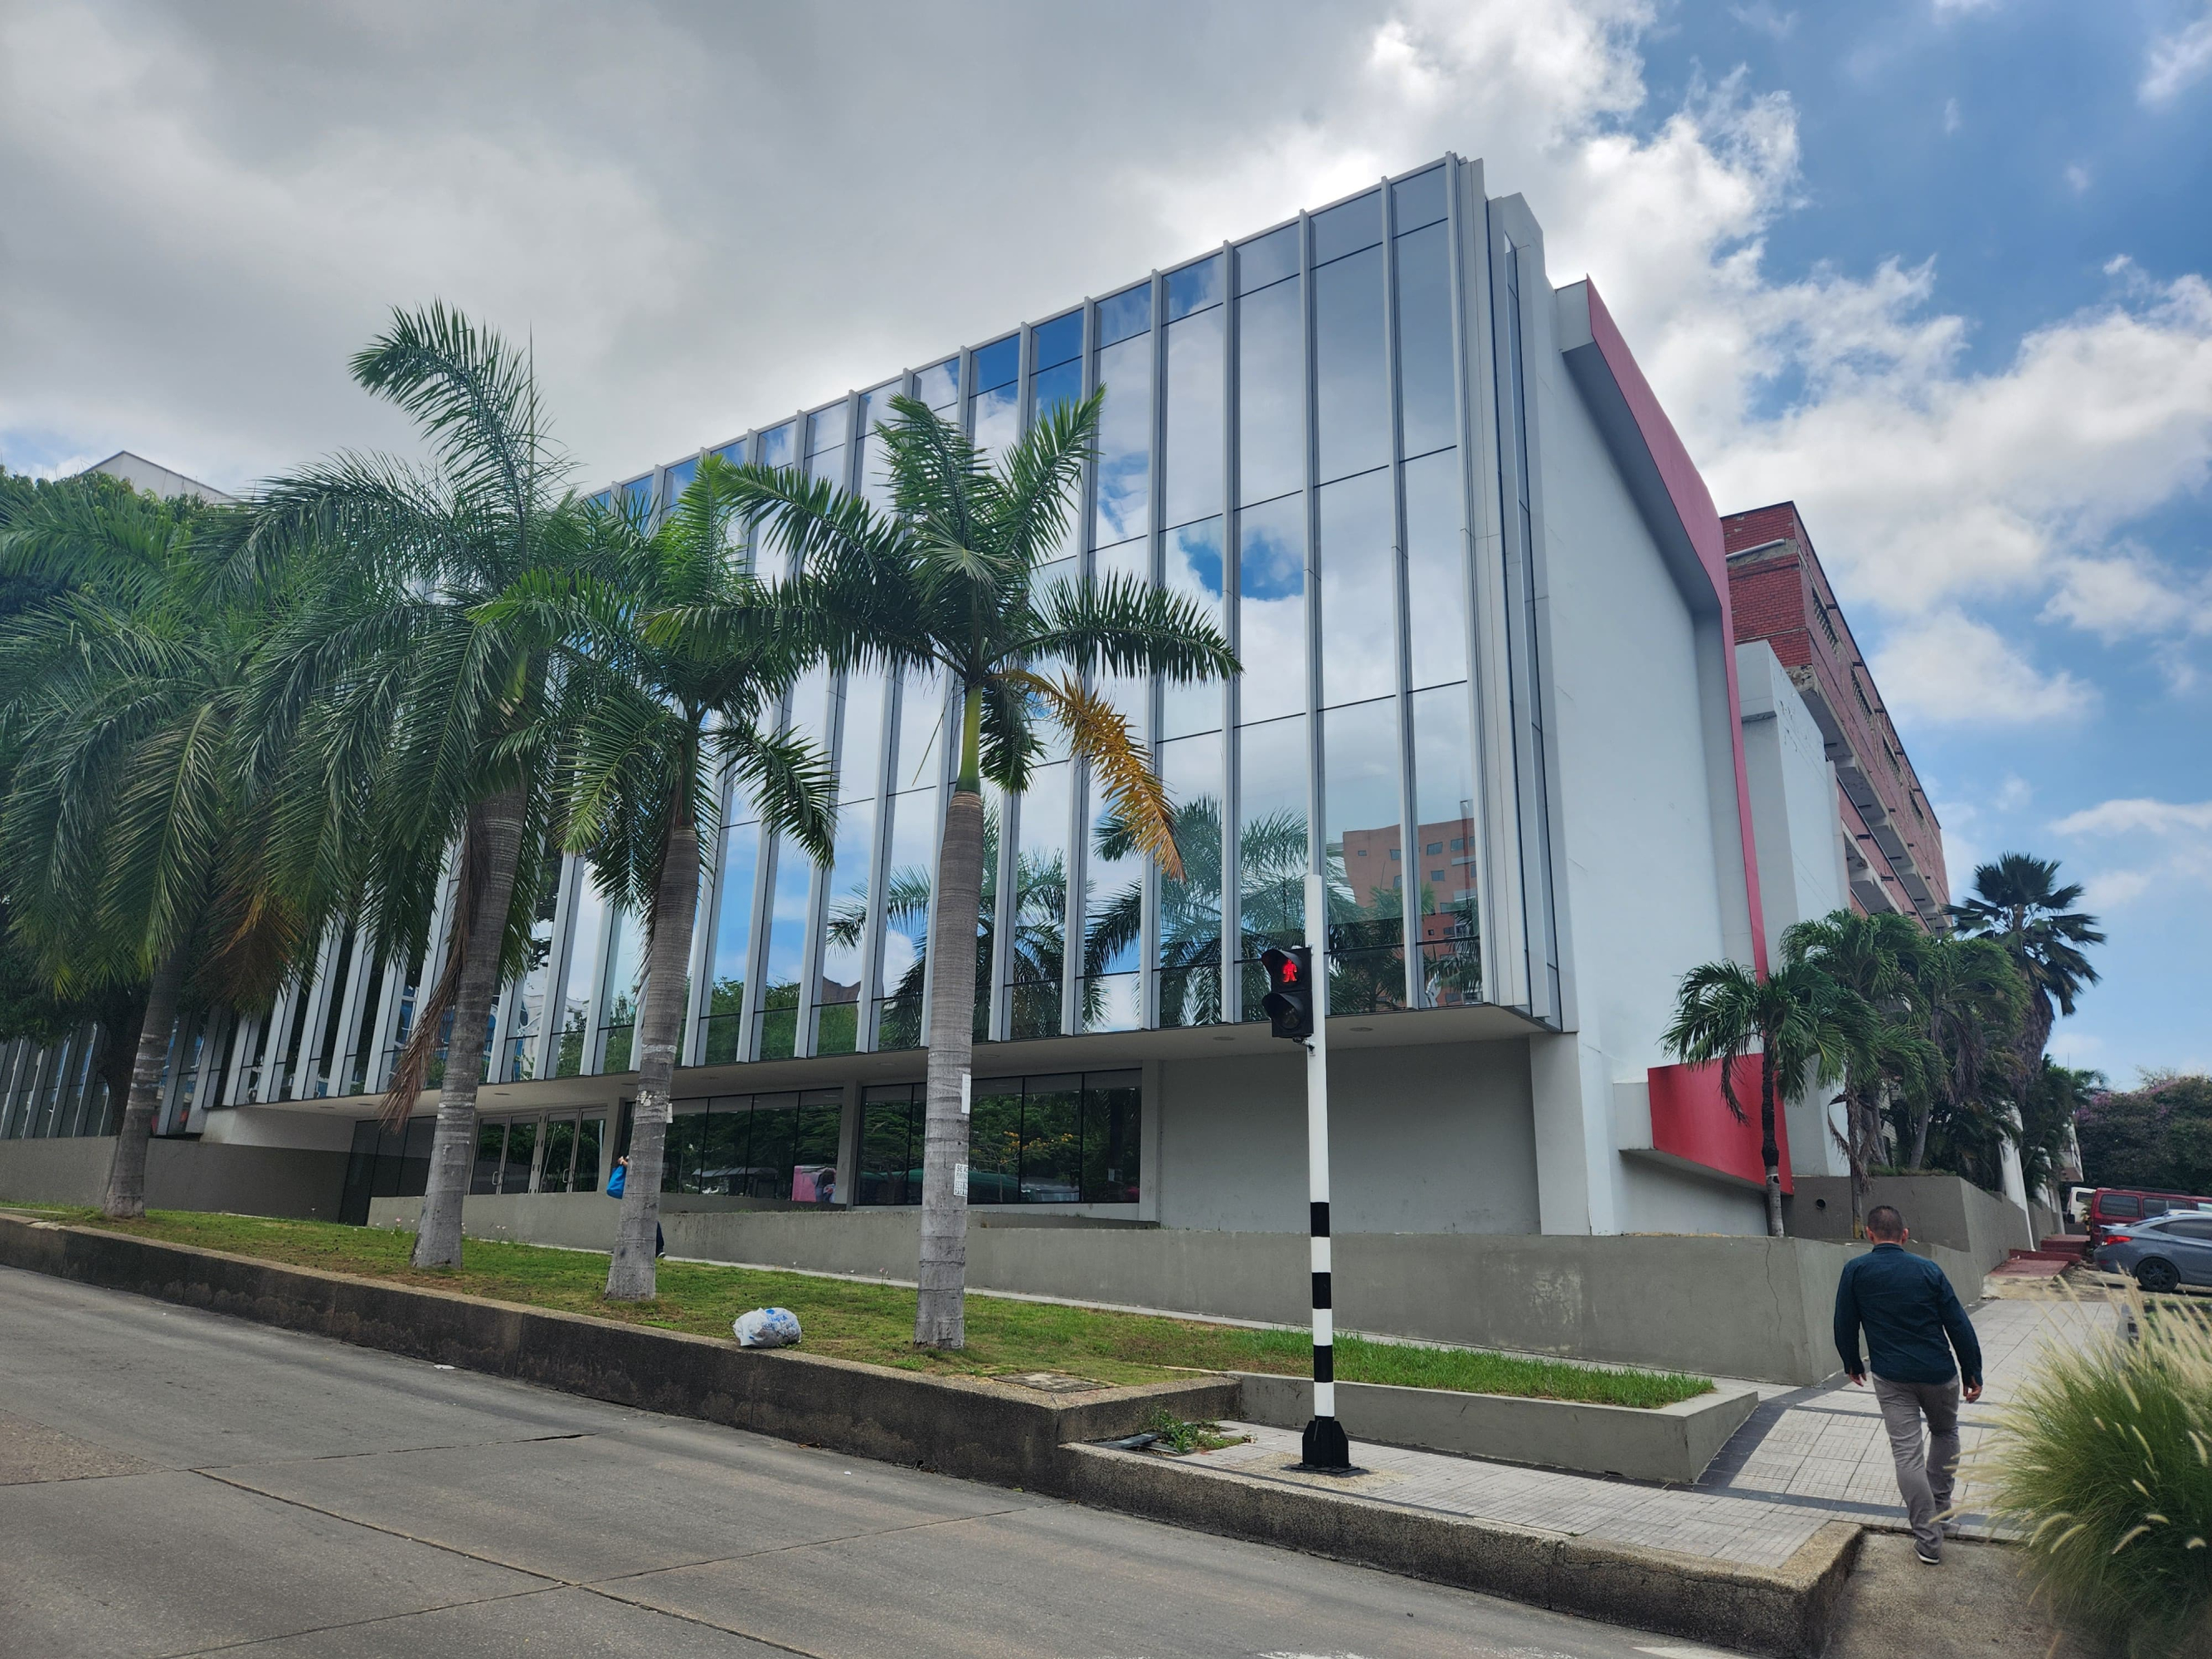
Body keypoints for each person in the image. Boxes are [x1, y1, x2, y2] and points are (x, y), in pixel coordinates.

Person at [1834, 1204, 1983, 1565]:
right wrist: (1972, 1371)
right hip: (1939, 1373)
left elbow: (1844, 1321)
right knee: (1946, 1434)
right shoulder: (1928, 1269)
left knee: (1907, 1454)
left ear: (1869, 1234)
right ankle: (1942, 1515)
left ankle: (1928, 1540)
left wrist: (1851, 1362)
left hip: (1892, 1376)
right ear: (1904, 1234)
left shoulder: (1856, 1270)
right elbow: (1958, 1324)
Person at [606, 1155, 664, 1258]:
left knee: (649, 1220)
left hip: (643, 1194)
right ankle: (623, 1247)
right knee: (631, 1220)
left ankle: (659, 1248)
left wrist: (622, 1162)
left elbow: (636, 1169)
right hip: (635, 1193)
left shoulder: (645, 1155)